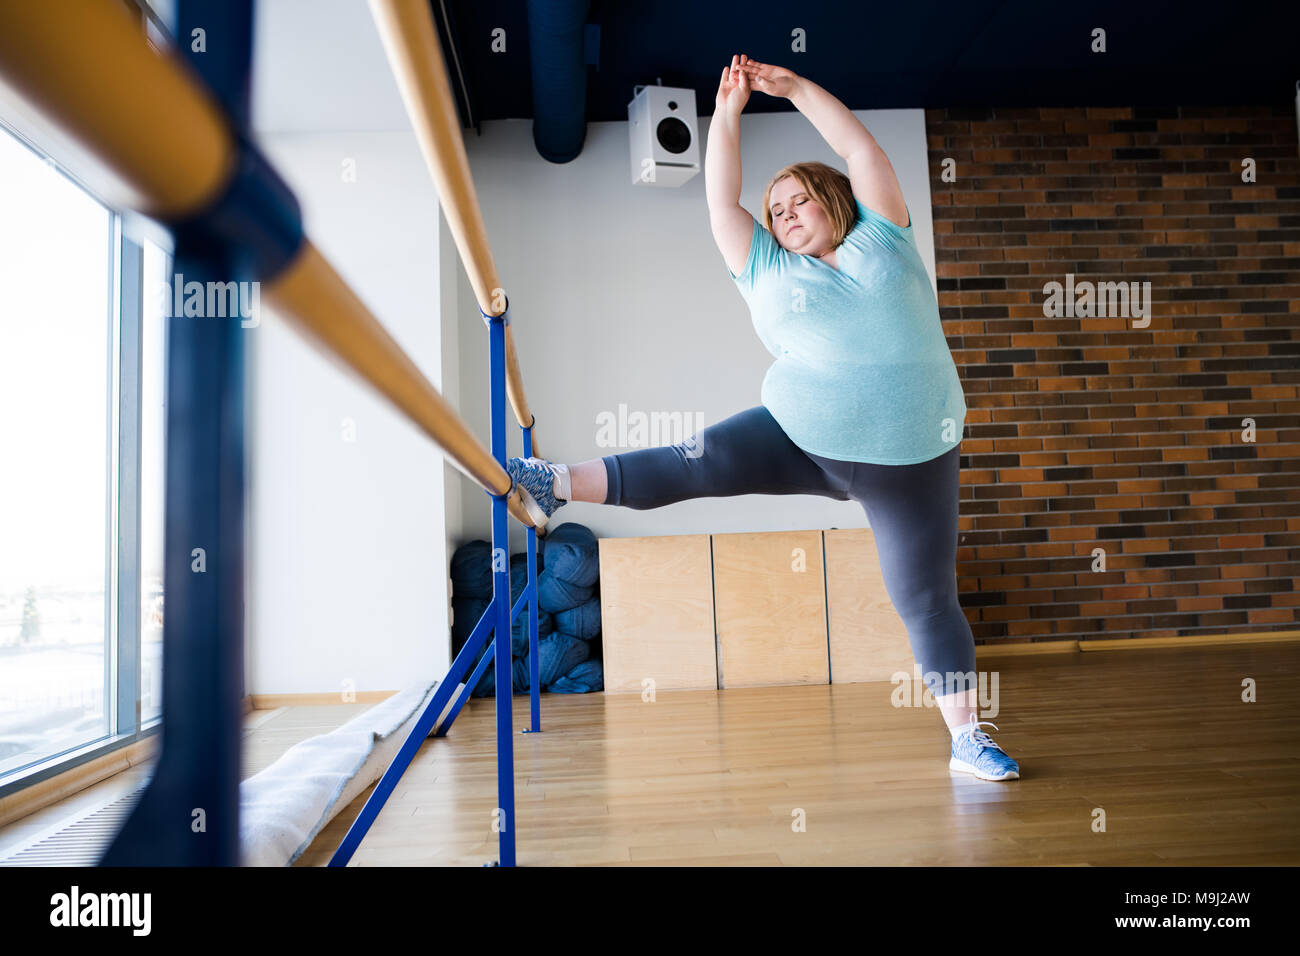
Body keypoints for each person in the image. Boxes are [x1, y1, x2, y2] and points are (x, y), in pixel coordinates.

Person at [505, 55, 1019, 781]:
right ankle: (554, 479)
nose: (782, 216)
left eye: (797, 201)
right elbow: (721, 202)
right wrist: (726, 115)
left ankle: (968, 740)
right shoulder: (768, 271)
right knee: (698, 460)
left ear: (833, 200)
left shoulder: (887, 237)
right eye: (774, 211)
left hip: (914, 457)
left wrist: (799, 89)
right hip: (800, 436)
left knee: (926, 597)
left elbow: (860, 148)